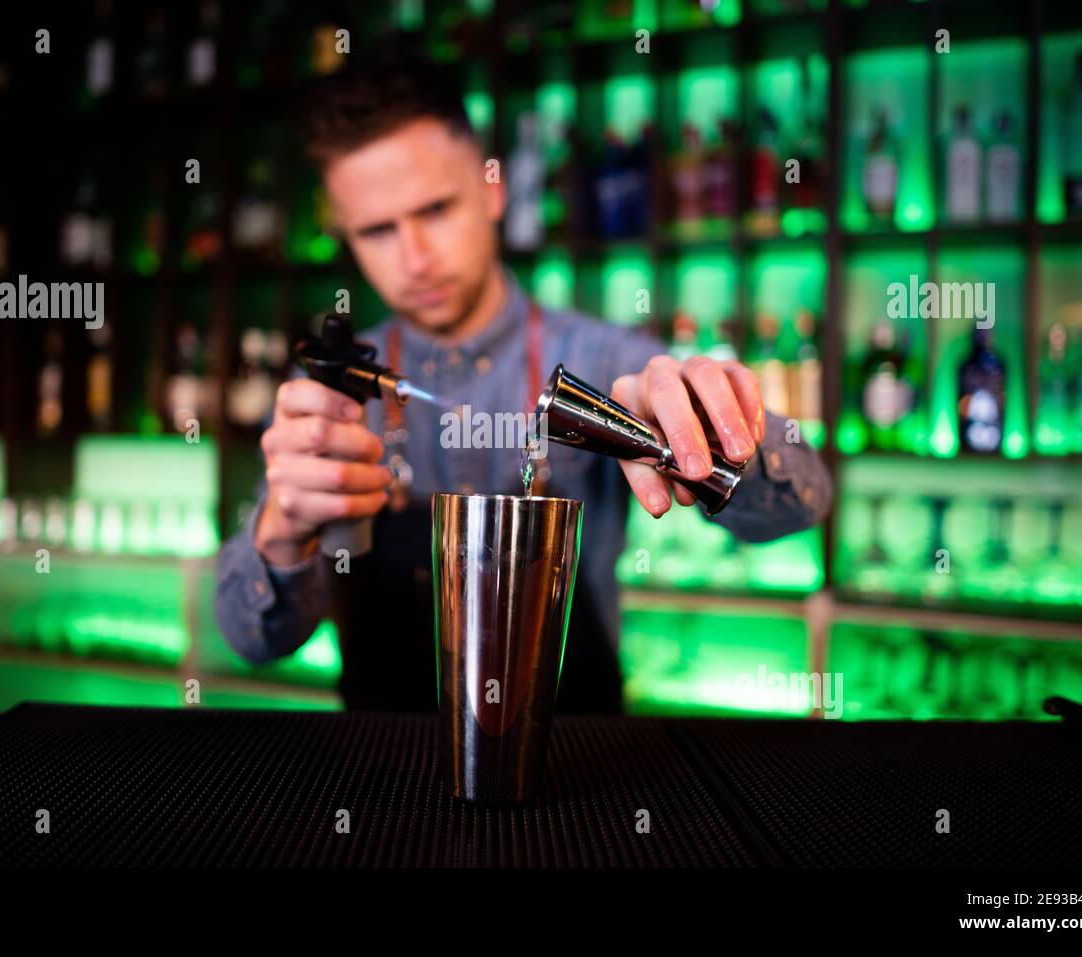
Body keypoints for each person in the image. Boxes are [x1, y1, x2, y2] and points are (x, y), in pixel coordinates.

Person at [215, 49, 831, 714]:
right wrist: (282, 532)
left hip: (576, 766)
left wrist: (718, 435)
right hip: (383, 774)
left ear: (493, 189)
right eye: (377, 230)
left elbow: (803, 502)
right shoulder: (333, 396)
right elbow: (253, 639)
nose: (416, 258)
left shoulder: (604, 360)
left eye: (437, 210)